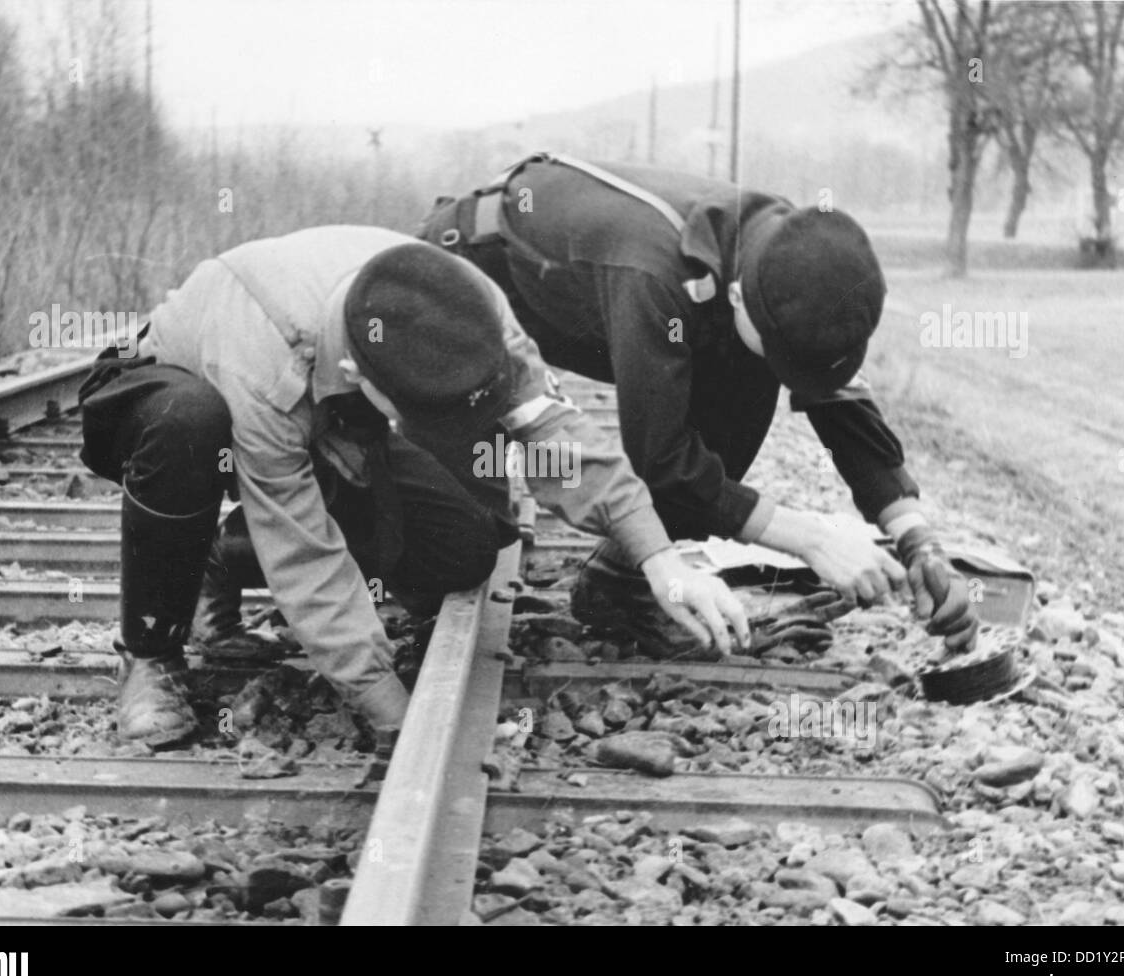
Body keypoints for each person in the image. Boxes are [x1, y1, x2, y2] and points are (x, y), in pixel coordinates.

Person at [79, 225, 749, 746]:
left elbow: (552, 438)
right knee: (190, 425)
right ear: (363, 381)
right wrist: (390, 710)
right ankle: (150, 652)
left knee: (461, 549)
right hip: (163, 401)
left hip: (331, 417)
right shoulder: (266, 366)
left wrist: (659, 556)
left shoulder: (464, 303)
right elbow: (306, 555)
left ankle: (226, 553)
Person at [419, 153, 979, 656]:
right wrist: (813, 539)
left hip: (591, 291)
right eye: (790, 363)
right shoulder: (656, 274)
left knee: (746, 371)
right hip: (455, 287)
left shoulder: (786, 252)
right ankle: (629, 575)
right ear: (737, 296)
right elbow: (662, 462)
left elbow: (839, 401)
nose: (797, 379)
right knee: (459, 546)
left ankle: (618, 586)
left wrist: (917, 539)